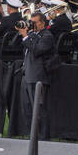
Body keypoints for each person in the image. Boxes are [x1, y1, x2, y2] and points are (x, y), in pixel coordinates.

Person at [18, 11, 57, 139]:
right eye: (31, 22)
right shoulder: (32, 35)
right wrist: (24, 33)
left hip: (38, 76)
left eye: (35, 22)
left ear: (42, 23)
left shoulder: (47, 36)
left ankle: (43, 136)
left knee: (39, 108)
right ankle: (32, 135)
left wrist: (26, 37)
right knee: (27, 108)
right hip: (27, 74)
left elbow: (37, 50)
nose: (32, 25)